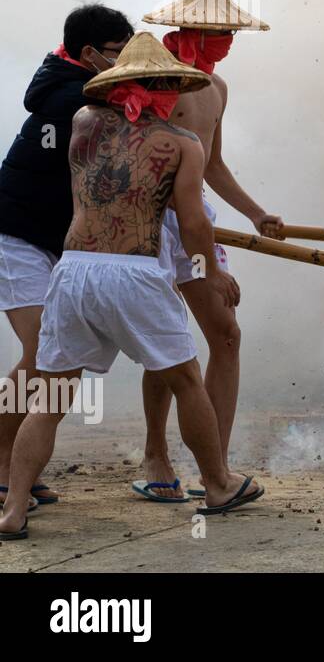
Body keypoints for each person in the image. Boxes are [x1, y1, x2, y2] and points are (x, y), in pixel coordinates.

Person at [0, 33, 263, 540]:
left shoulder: (82, 125)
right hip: (134, 273)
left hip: (74, 271)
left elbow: (70, 92)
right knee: (186, 380)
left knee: (49, 398)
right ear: (164, 87)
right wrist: (211, 271)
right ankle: (218, 484)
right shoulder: (182, 145)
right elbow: (193, 225)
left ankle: (12, 510)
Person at [133, 0, 281, 502]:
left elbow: (212, 163)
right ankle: (156, 454)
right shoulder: (152, 77)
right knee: (166, 341)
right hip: (152, 223)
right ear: (193, 28)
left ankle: (215, 468)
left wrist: (257, 213)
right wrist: (186, 226)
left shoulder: (217, 89)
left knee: (226, 335)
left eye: (231, 31)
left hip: (196, 217)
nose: (226, 40)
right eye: (219, 31)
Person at [0, 4, 133, 510]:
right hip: (15, 237)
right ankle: (1, 466)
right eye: (118, 56)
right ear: (88, 55)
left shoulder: (79, 83)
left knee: (60, 361)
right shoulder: (74, 98)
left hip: (53, 242)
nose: (125, 66)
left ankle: (19, 470)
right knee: (41, 358)